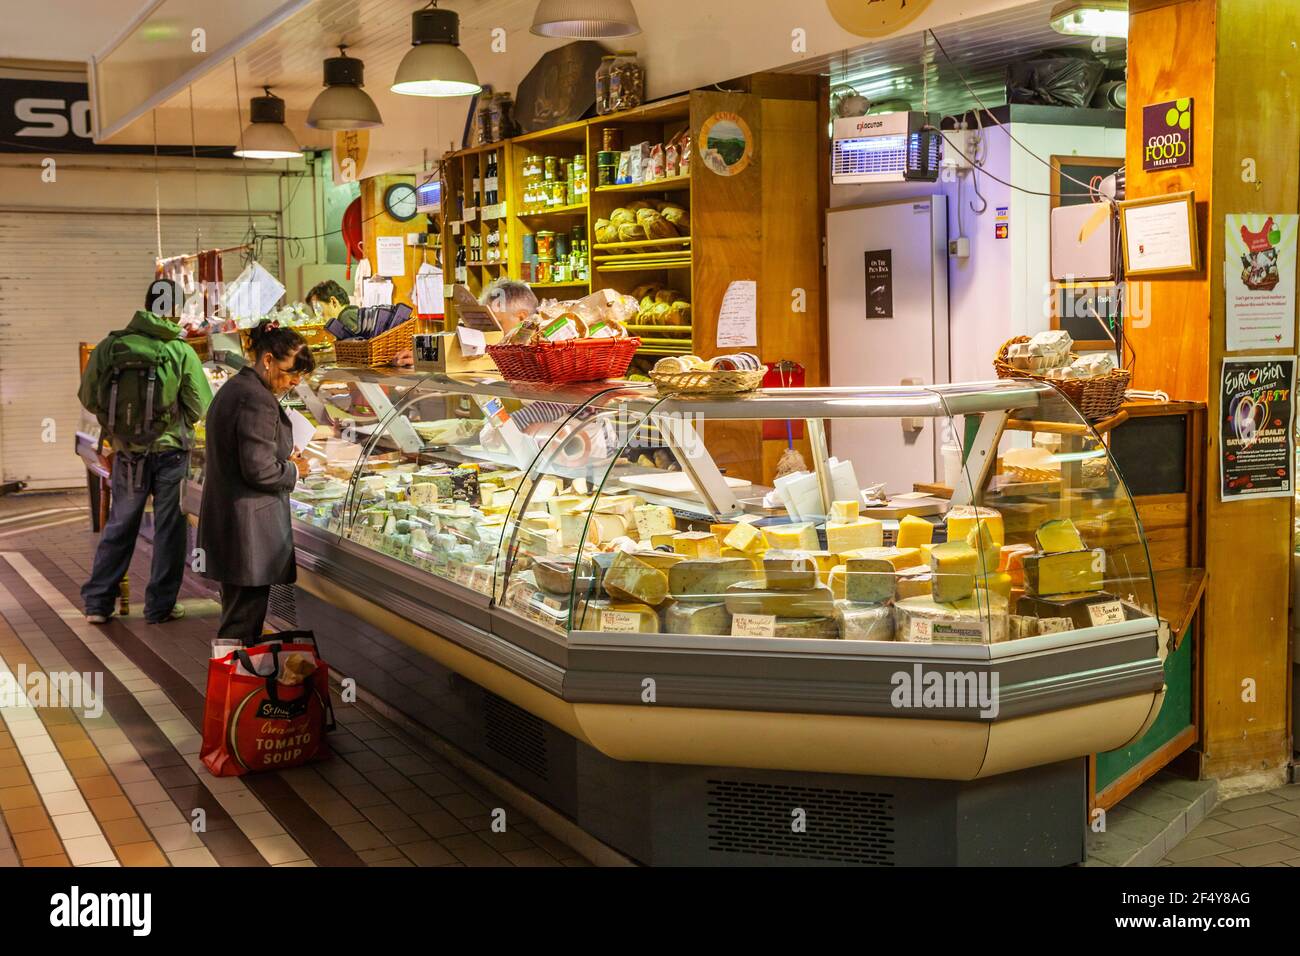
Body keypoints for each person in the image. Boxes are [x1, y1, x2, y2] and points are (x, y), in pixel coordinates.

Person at [80, 279, 213, 625]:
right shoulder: (180, 351)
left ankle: (98, 604)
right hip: (171, 453)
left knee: (121, 523)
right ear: (174, 310)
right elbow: (200, 406)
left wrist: (119, 426)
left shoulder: (110, 346)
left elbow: (88, 397)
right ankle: (160, 607)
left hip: (128, 453)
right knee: (170, 529)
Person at [197, 320, 315, 645]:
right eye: (291, 371)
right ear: (268, 360)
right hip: (248, 533)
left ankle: (230, 675)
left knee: (237, 616)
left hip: (231, 524)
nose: (295, 381)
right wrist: (294, 470)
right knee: (242, 624)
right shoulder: (257, 399)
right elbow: (259, 470)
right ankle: (232, 678)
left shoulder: (236, 388)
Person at [391, 278, 538, 367]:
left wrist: (429, 359)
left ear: (522, 318)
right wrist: (425, 357)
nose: (490, 333)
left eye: (498, 324)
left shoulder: (538, 351)